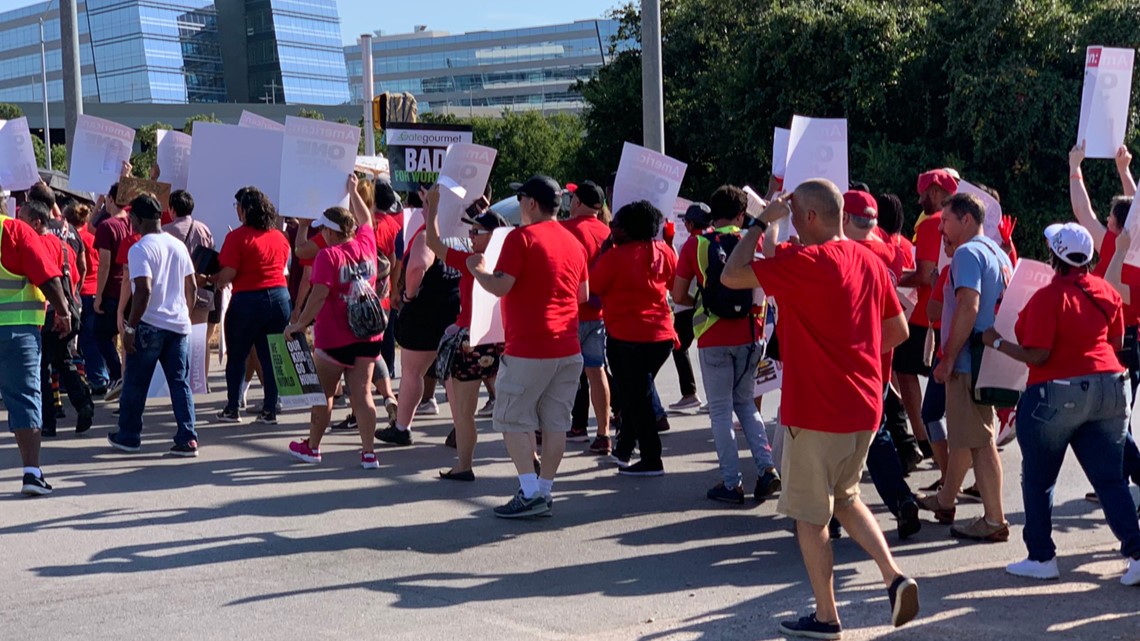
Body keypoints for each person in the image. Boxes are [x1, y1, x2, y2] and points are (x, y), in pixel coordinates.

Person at [721, 179, 918, 638]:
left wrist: (757, 222)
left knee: (810, 516)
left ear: (809, 217)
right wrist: (856, 355)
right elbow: (899, 330)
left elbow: (733, 274)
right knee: (847, 497)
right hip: (864, 406)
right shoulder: (870, 260)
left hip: (814, 410)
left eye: (794, 214)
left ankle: (827, 617)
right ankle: (894, 577)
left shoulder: (802, 262)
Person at [980, 223, 1140, 585]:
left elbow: (1038, 353)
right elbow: (1114, 343)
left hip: (1057, 391)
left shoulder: (1047, 297)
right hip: (1112, 387)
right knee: (1111, 480)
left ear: (1055, 257)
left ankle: (1041, 557)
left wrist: (996, 343)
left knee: (1038, 479)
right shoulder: (1105, 290)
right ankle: (1137, 551)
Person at [468, 175, 587, 518]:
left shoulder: (522, 238)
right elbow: (583, 295)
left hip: (530, 345)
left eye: (521, 198)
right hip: (567, 344)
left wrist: (477, 270)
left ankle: (531, 491)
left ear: (531, 203)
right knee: (555, 423)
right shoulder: (573, 241)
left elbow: (501, 286)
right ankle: (544, 490)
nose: (519, 204)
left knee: (512, 418)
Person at [673, 185, 778, 504]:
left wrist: (702, 301)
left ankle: (732, 483)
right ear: (742, 214)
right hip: (751, 332)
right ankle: (767, 469)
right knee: (746, 403)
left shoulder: (696, 244)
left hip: (713, 336)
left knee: (720, 410)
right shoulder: (755, 239)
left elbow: (678, 296)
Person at [918, 193, 1012, 542]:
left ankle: (993, 519)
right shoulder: (998, 254)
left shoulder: (967, 254)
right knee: (967, 435)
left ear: (967, 220)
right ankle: (945, 501)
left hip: (969, 360)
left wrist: (948, 358)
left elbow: (968, 307)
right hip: (988, 358)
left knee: (981, 441)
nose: (940, 227)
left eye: (946, 220)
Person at [285, 175, 384, 469]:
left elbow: (317, 296)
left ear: (329, 231)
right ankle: (369, 453)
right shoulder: (367, 243)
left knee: (324, 395)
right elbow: (365, 217)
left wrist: (298, 324)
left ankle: (313, 447)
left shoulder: (328, 256)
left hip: (334, 338)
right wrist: (353, 191)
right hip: (368, 335)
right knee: (363, 393)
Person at [841, 190, 921, 539]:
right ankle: (902, 500)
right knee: (878, 435)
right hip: (879, 359)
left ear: (845, 218)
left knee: (832, 440)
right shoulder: (889, 251)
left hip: (845, 358)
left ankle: (829, 519)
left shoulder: (844, 255)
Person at [422, 187, 509, 480]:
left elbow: (432, 241)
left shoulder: (471, 261)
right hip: (503, 342)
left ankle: (464, 465)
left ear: (491, 235)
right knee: (511, 409)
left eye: (477, 233)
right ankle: (531, 459)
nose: (471, 237)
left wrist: (432, 207)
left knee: (463, 412)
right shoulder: (512, 259)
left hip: (471, 341)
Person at [105, 195, 199, 456]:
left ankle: (129, 436)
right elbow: (191, 286)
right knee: (180, 383)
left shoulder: (140, 249)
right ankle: (188, 437)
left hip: (149, 325)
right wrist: (184, 315)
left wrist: (131, 328)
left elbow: (143, 290)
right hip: (178, 326)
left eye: (132, 218)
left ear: (138, 220)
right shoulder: (178, 245)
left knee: (135, 383)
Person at [591, 200, 677, 475]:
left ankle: (652, 459)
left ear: (627, 231)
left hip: (627, 338)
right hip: (661, 336)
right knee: (634, 394)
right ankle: (624, 448)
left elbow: (592, 287)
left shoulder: (615, 257)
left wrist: (603, 254)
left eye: (614, 225)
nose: (610, 228)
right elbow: (674, 282)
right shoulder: (664, 251)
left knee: (637, 399)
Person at [0, 194, 73, 494]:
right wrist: (65, 312)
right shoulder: (15, 230)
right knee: (25, 398)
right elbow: (47, 277)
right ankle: (31, 472)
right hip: (17, 331)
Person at [379, 185, 462, 447]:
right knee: (450, 373)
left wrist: (409, 296)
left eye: (426, 205)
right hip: (455, 308)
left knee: (413, 371)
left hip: (426, 310)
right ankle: (462, 428)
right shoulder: (462, 236)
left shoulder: (428, 236)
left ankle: (402, 427)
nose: (421, 209)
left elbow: (416, 267)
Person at [212, 186, 292, 424]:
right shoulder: (280, 237)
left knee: (237, 355)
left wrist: (215, 279)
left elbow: (228, 273)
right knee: (271, 357)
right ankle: (270, 409)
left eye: (238, 207)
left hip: (247, 300)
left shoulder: (237, 237)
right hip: (279, 298)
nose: (237, 211)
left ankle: (233, 407)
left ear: (246, 210)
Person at [16, 200, 93, 438]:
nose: (20, 225)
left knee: (42, 368)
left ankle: (48, 422)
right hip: (71, 310)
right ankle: (83, 403)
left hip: (46, 313)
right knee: (65, 359)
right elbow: (79, 275)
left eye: (24, 220)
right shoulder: (64, 247)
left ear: (36, 223)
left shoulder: (33, 245)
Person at [895, 169, 958, 458]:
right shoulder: (964, 221)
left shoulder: (934, 224)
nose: (920, 200)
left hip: (924, 315)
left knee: (905, 373)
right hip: (951, 314)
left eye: (922, 194)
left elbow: (922, 274)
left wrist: (893, 279)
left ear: (933, 193)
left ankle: (923, 438)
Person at [562, 180, 614, 452]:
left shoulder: (564, 229)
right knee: (597, 372)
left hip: (568, 313)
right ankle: (603, 433)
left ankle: (553, 428)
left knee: (559, 373)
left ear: (577, 202)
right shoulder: (608, 232)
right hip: (599, 312)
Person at [92, 168, 134, 399]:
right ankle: (125, 378)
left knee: (100, 334)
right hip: (131, 288)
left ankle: (118, 374)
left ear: (110, 200)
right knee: (125, 334)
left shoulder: (107, 226)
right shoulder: (131, 222)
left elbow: (104, 264)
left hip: (112, 289)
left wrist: (98, 295)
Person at [668, 202, 710, 411]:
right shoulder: (715, 239)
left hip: (689, 304)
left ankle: (690, 392)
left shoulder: (692, 244)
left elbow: (681, 278)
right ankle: (701, 394)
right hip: (709, 303)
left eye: (685, 221)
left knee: (679, 347)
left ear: (691, 223)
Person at [65, 201, 107, 395]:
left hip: (79, 292)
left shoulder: (71, 238)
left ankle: (86, 377)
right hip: (97, 290)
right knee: (96, 338)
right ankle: (100, 375)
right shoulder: (93, 236)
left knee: (77, 340)